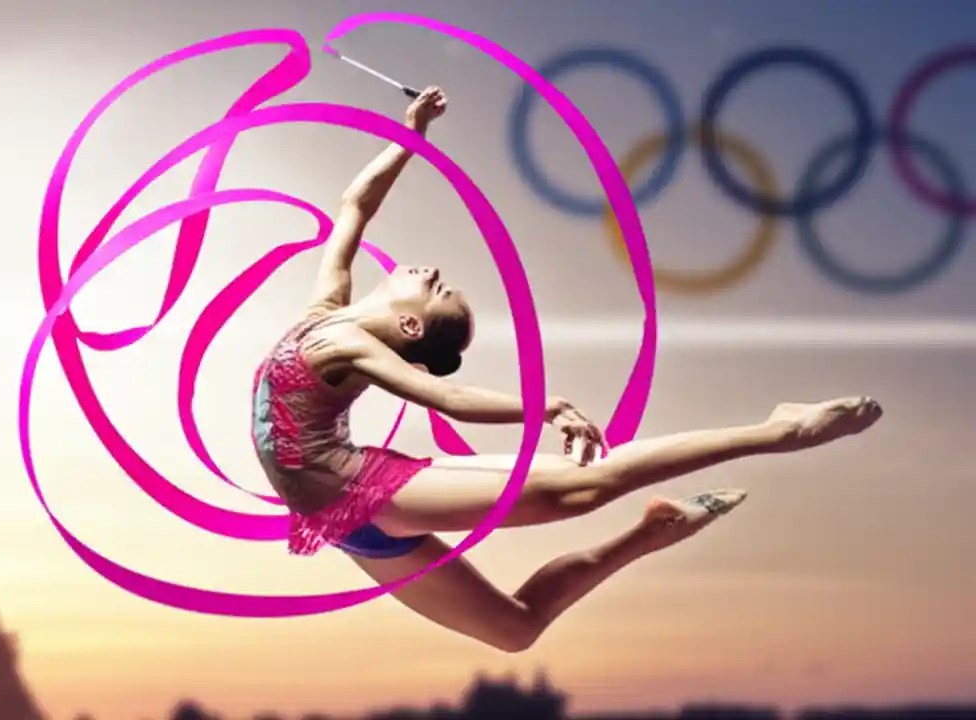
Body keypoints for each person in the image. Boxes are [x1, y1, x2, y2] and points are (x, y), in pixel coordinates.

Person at [249, 86, 883, 653]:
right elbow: (355, 204)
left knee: (583, 488)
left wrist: (545, 406)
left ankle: (781, 431)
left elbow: (450, 398)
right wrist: (411, 138)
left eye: (435, 289)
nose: (434, 273)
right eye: (441, 284)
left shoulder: (349, 349)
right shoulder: (324, 308)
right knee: (516, 630)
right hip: (339, 522)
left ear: (409, 327)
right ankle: (652, 532)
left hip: (362, 493)